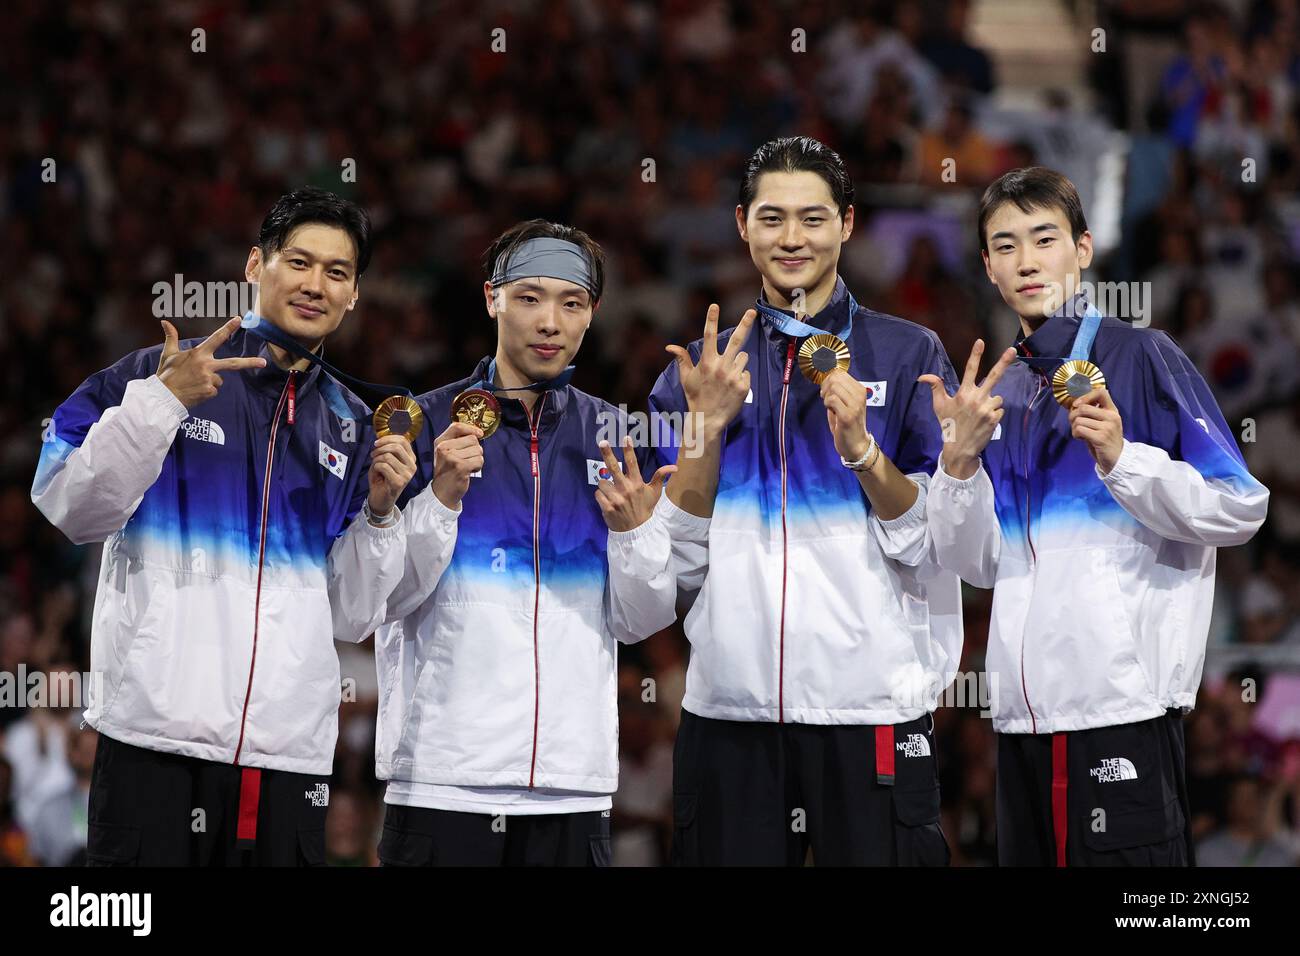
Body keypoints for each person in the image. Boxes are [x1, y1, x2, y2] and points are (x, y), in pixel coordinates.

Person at [31, 187, 417, 865]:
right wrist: (160, 406)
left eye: (337, 272)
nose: (315, 285)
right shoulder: (160, 374)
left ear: (354, 294)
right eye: (298, 262)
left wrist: (383, 511)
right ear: (253, 266)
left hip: (287, 758)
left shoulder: (354, 424)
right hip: (153, 744)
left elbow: (353, 615)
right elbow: (70, 504)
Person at [923, 165, 1270, 865]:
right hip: (1020, 724)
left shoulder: (1143, 356)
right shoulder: (1003, 389)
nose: (1027, 260)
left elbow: (1240, 508)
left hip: (1122, 714)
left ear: (1083, 249)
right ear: (988, 266)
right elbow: (982, 563)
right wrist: (956, 467)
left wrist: (1122, 458)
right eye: (1007, 245)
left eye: (1044, 238)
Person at [650, 136, 962, 865]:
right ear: (741, 224)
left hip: (870, 709)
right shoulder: (700, 372)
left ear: (848, 224)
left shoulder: (910, 355)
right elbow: (671, 562)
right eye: (772, 218)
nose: (792, 238)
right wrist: (705, 427)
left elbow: (932, 540)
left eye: (813, 219)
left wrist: (860, 446)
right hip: (731, 713)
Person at [373, 220, 677, 866]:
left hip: (573, 786)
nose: (549, 322)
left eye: (571, 303)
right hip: (443, 780)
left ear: (592, 314)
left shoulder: (616, 435)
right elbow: (381, 600)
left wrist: (633, 535)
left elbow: (641, 618)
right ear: (493, 298)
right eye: (531, 297)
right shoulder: (422, 424)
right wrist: (442, 497)